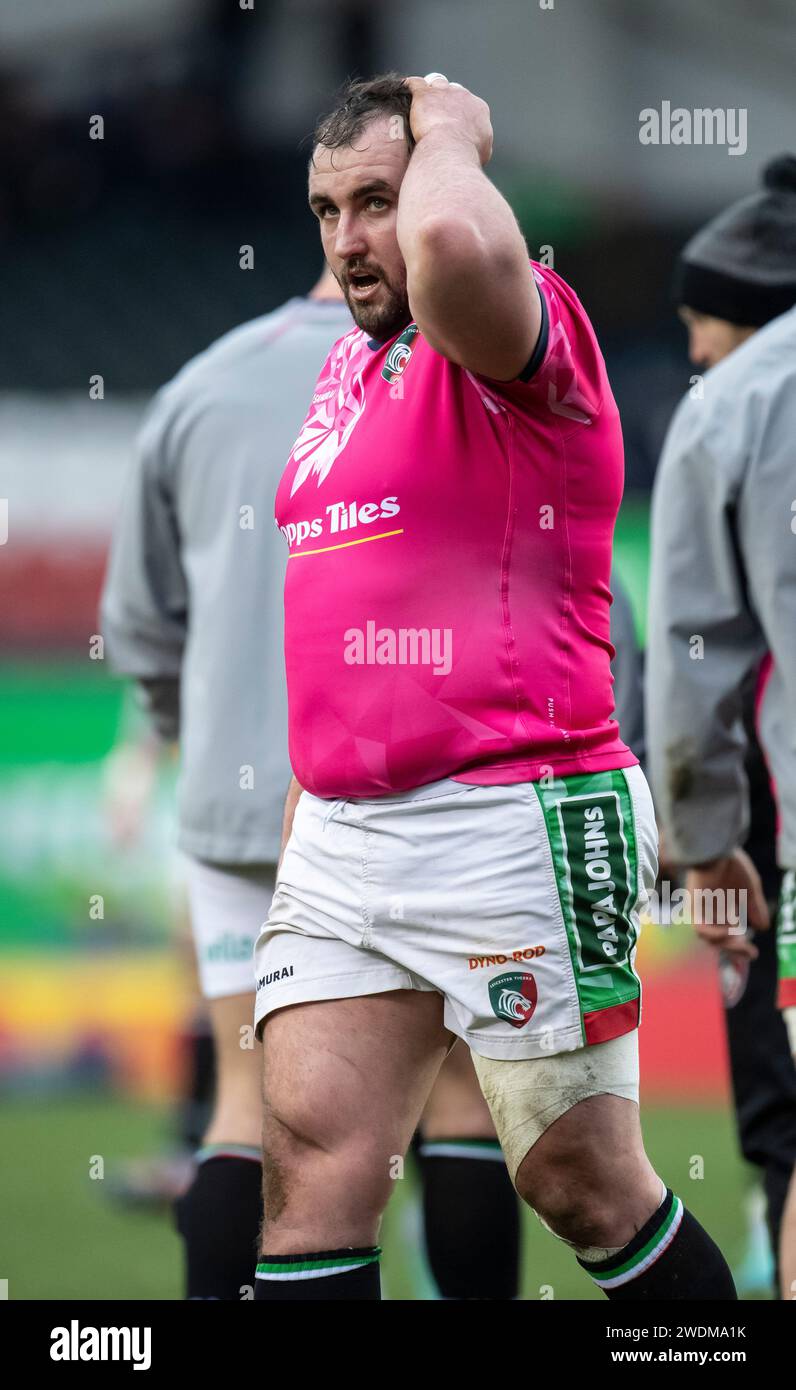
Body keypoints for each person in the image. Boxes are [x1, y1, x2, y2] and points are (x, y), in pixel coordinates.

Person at [251, 71, 736, 1302]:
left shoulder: (517, 340)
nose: (349, 241)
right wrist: (313, 804)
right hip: (346, 840)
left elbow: (457, 240)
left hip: (513, 817)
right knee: (310, 1167)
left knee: (578, 1178)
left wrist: (452, 136)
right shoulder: (349, 374)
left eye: (376, 200)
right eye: (325, 210)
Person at [102, 264, 525, 1301]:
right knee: (464, 1099)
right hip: (415, 794)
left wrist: (191, 739)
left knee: (245, 1106)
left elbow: (140, 625)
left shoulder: (201, 387)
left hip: (236, 808)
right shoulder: (467, 372)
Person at [646, 154, 796, 1298]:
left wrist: (698, 843)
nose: (696, 349)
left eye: (707, 322)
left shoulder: (735, 407)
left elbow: (691, 656)